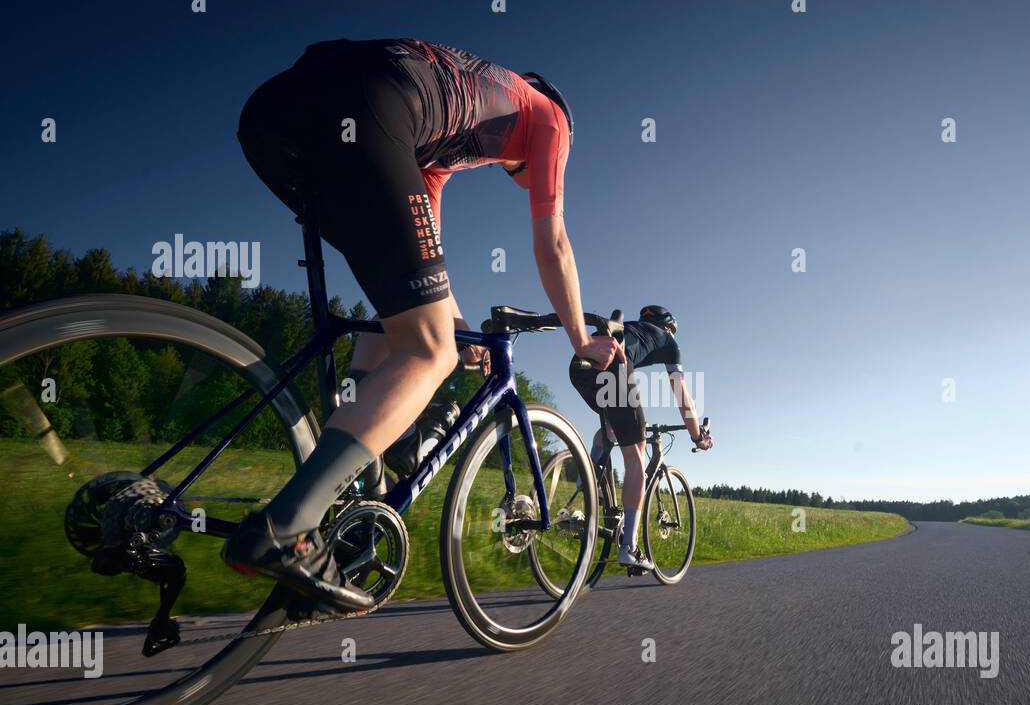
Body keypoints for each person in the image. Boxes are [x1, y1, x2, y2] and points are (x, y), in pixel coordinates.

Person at [225, 38, 618, 610]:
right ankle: (287, 527)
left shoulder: (443, 146)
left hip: (277, 113)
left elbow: (419, 266)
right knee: (429, 352)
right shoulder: (547, 114)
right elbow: (553, 244)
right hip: (366, 108)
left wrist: (452, 321)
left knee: (399, 330)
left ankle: (358, 505)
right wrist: (582, 341)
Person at [569, 305, 713, 571]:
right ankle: (630, 547)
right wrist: (697, 437)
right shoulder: (669, 342)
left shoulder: (633, 330)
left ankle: (584, 487)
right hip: (612, 367)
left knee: (610, 430)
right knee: (636, 454)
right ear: (668, 327)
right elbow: (683, 399)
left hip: (580, 366)